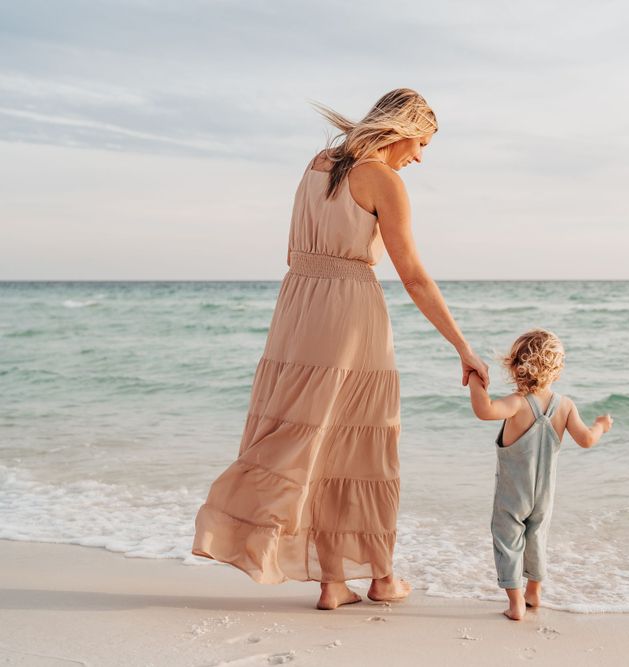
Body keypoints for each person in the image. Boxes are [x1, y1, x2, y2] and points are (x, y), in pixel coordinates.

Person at [191, 88, 490, 611]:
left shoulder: (317, 164)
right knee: (364, 443)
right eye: (422, 143)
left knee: (315, 434)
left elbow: (292, 249)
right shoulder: (385, 181)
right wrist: (463, 346)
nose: (420, 157)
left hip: (298, 306)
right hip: (351, 312)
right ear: (402, 130)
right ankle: (379, 577)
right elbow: (414, 277)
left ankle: (334, 583)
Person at [467, 328, 613, 620]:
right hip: (544, 495)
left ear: (514, 366)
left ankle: (516, 602)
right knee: (537, 537)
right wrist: (601, 426)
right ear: (557, 370)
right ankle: (534, 591)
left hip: (513, 494)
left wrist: (474, 379)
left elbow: (484, 410)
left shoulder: (517, 403)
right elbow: (586, 440)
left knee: (508, 539)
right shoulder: (565, 406)